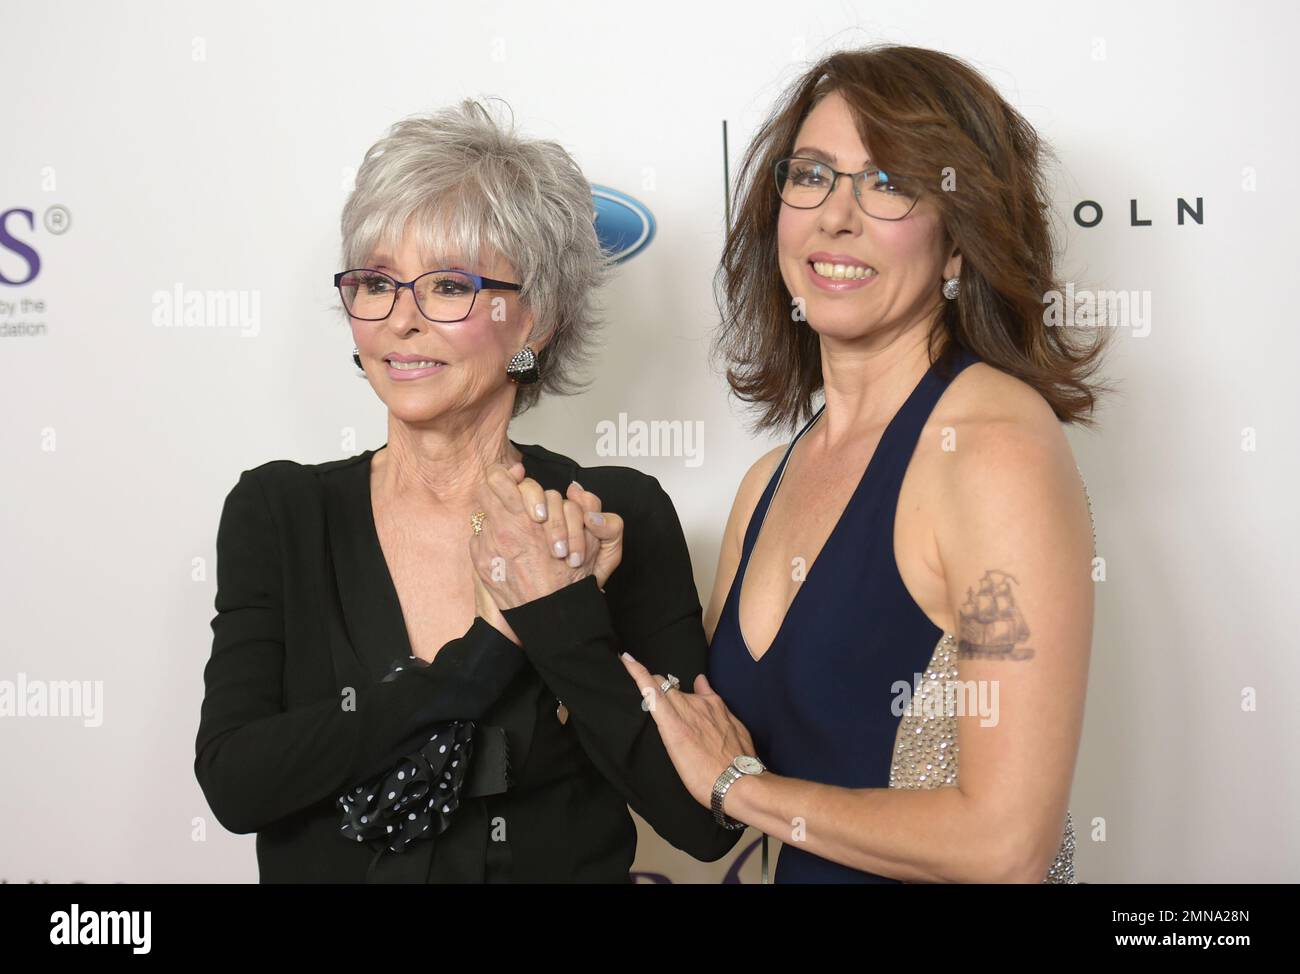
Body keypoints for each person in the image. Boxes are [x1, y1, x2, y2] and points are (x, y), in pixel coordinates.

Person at [479, 45, 1105, 883]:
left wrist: (745, 788)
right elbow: (694, 766)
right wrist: (577, 599)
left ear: (960, 246)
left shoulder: (995, 451)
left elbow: (1008, 845)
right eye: (811, 175)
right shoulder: (767, 484)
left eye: (889, 183)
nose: (836, 217)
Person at [193, 99, 742, 882]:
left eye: (449, 286)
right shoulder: (281, 512)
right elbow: (237, 782)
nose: (402, 322)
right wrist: (488, 651)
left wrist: (563, 615)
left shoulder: (613, 514)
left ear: (534, 321)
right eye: (378, 282)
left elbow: (702, 821)